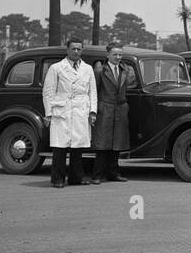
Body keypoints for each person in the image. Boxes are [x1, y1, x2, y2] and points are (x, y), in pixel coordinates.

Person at [43, 37, 97, 188]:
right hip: (62, 110)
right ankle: (57, 179)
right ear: (67, 50)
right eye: (73, 48)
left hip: (81, 110)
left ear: (82, 50)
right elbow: (48, 92)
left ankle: (75, 178)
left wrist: (93, 111)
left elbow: (92, 92)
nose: (76, 51)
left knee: (77, 148)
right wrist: (48, 113)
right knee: (60, 147)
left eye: (79, 49)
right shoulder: (56, 68)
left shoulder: (88, 69)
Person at [90, 42, 130, 183]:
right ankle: (97, 175)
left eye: (120, 54)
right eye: (115, 54)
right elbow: (94, 91)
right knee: (102, 144)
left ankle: (113, 173)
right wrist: (94, 110)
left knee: (117, 144)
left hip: (119, 109)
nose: (118, 57)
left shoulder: (124, 70)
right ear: (108, 55)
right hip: (105, 109)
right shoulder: (100, 71)